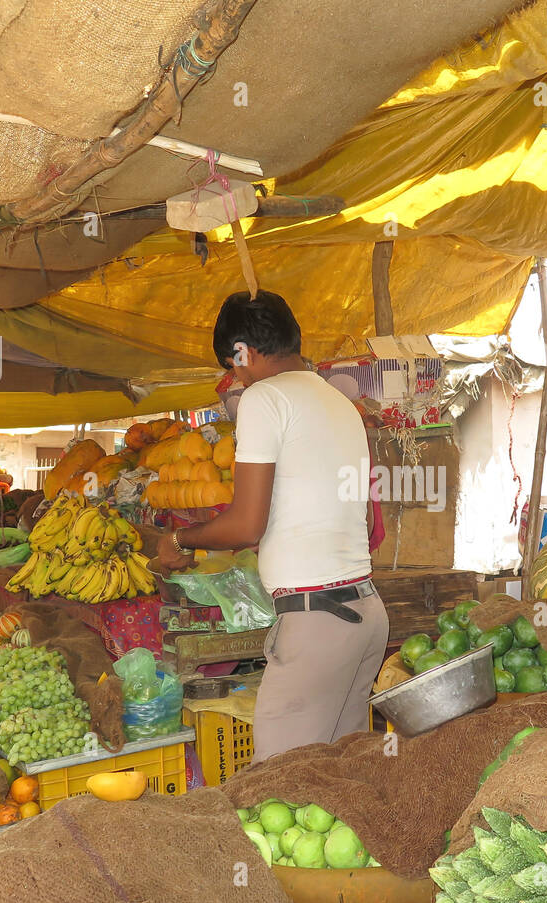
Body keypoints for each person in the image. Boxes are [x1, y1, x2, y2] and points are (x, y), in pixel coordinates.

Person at [156, 291, 389, 762]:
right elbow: (364, 518)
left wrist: (180, 538)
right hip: (364, 614)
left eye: (232, 363)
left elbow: (245, 525)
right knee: (333, 778)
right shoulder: (340, 402)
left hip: (318, 621)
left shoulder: (264, 398)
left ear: (246, 350)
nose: (235, 376)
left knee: (276, 790)